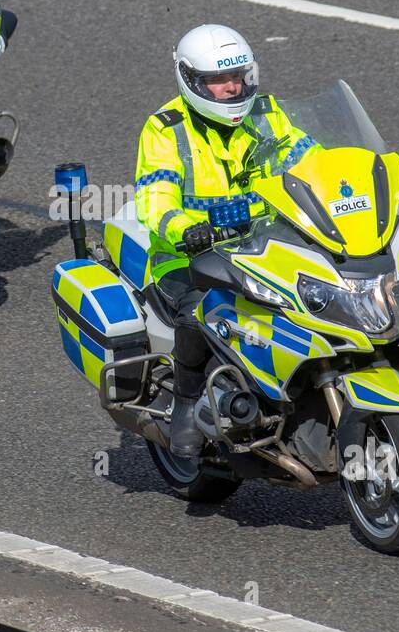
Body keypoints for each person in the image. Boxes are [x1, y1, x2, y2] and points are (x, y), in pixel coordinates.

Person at [134, 24, 312, 460]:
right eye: (219, 80)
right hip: (189, 257)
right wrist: (184, 229)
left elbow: (311, 162)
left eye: (237, 76)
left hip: (266, 246)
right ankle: (188, 401)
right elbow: (154, 200)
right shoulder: (165, 130)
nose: (232, 88)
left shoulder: (268, 114)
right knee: (201, 312)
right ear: (192, 80)